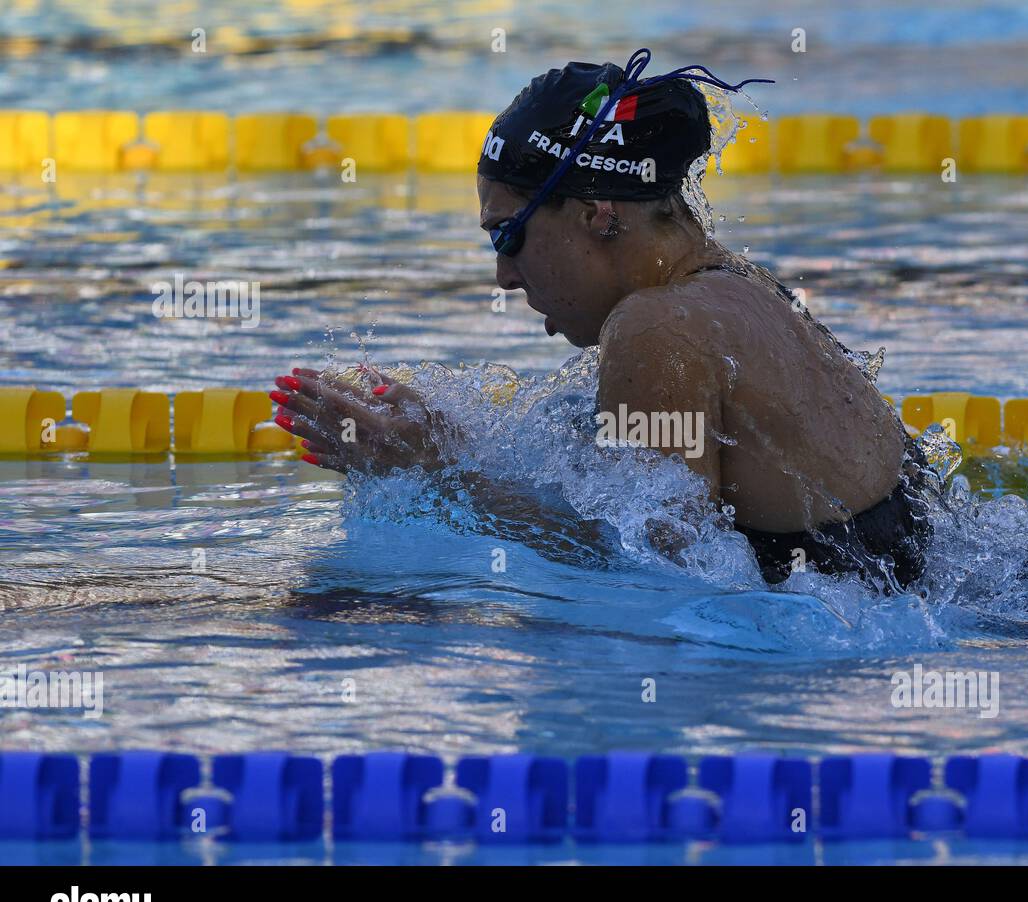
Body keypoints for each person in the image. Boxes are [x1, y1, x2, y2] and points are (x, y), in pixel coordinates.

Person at [269, 49, 932, 589]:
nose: (504, 274)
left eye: (507, 235)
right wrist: (454, 456)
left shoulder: (658, 329)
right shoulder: (737, 291)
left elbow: (661, 569)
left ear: (598, 216)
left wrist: (437, 480)